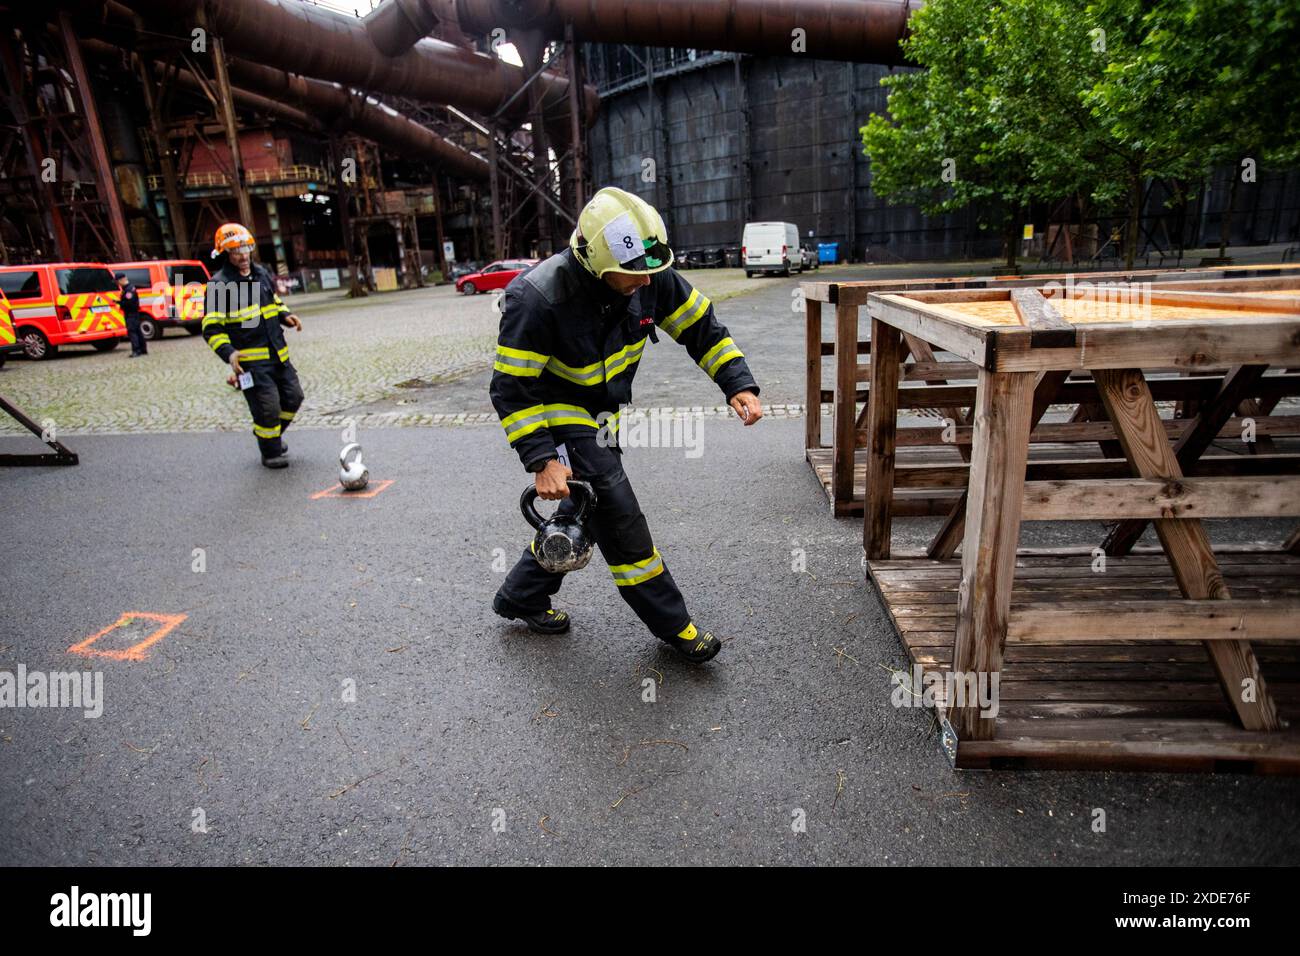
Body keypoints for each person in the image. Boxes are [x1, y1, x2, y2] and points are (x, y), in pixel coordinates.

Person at [489, 187, 763, 664]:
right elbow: (511, 388)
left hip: (603, 414)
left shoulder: (649, 274)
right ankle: (674, 626)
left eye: (651, 272)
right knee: (618, 510)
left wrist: (737, 383)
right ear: (595, 260)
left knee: (588, 508)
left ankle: (521, 595)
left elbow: (702, 328)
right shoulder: (538, 297)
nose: (645, 283)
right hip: (558, 412)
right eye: (632, 275)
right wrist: (542, 459)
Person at [201, 223, 304, 468]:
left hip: (277, 354)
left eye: (247, 248)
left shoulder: (261, 273)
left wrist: (285, 316)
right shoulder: (219, 285)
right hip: (251, 362)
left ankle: (272, 436)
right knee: (267, 407)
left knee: (294, 397)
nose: (244, 255)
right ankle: (270, 452)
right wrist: (229, 353)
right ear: (226, 253)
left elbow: (273, 301)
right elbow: (211, 328)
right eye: (237, 251)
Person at [115, 272, 146, 357]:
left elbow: (129, 303)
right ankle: (143, 349)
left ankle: (136, 350)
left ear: (122, 280)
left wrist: (120, 303)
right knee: (137, 331)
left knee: (132, 332)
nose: (118, 284)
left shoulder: (129, 289)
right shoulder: (128, 288)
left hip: (130, 313)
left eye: (118, 282)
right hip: (133, 313)